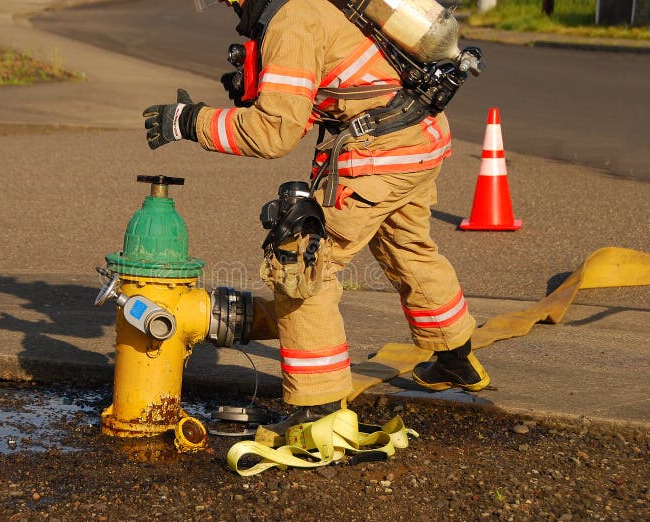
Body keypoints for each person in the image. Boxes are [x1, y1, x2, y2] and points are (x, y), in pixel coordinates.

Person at [142, 0, 489, 435]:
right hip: (419, 138)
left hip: (378, 154)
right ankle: (456, 358)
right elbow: (331, 88)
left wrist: (191, 122)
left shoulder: (292, 20)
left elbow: (274, 133)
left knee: (302, 265)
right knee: (409, 249)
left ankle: (319, 408)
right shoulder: (321, 4)